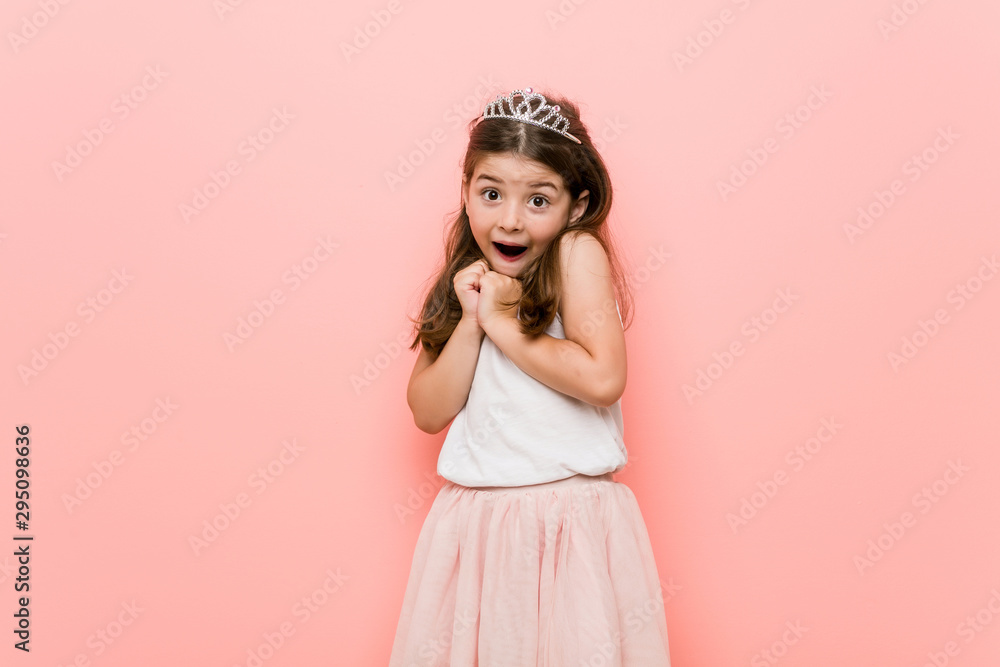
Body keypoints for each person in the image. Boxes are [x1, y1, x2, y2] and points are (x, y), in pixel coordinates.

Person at [389, 87, 671, 666]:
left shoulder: (575, 252)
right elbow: (427, 410)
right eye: (490, 194)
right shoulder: (466, 281)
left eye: (538, 200)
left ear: (576, 203)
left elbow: (602, 378)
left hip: (568, 524)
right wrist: (471, 319)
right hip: (475, 527)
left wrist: (502, 322)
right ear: (465, 191)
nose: (510, 220)